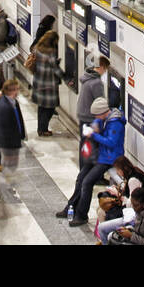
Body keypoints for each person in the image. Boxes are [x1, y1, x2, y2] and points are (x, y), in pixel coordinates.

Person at [62, 96, 124, 227]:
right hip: (101, 155)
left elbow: (111, 142)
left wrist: (93, 135)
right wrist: (94, 126)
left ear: (103, 112)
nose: (95, 117)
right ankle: (71, 207)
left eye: (96, 114)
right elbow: (97, 122)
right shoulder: (105, 118)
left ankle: (82, 215)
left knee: (87, 182)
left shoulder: (116, 123)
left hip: (110, 158)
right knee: (80, 178)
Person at [27, 30, 62, 137]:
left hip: (38, 81)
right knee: (50, 108)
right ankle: (43, 129)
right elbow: (55, 69)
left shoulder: (37, 48)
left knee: (42, 107)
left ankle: (41, 129)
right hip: (48, 84)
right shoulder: (50, 53)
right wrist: (64, 75)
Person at [0, 78, 27, 172]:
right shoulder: (4, 106)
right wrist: (13, 144)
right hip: (8, 143)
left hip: (13, 141)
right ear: (11, 91)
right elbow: (5, 128)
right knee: (9, 166)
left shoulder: (13, 102)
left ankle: (8, 183)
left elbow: (19, 119)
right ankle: (5, 184)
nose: (18, 91)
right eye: (16, 89)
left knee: (12, 165)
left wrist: (22, 135)